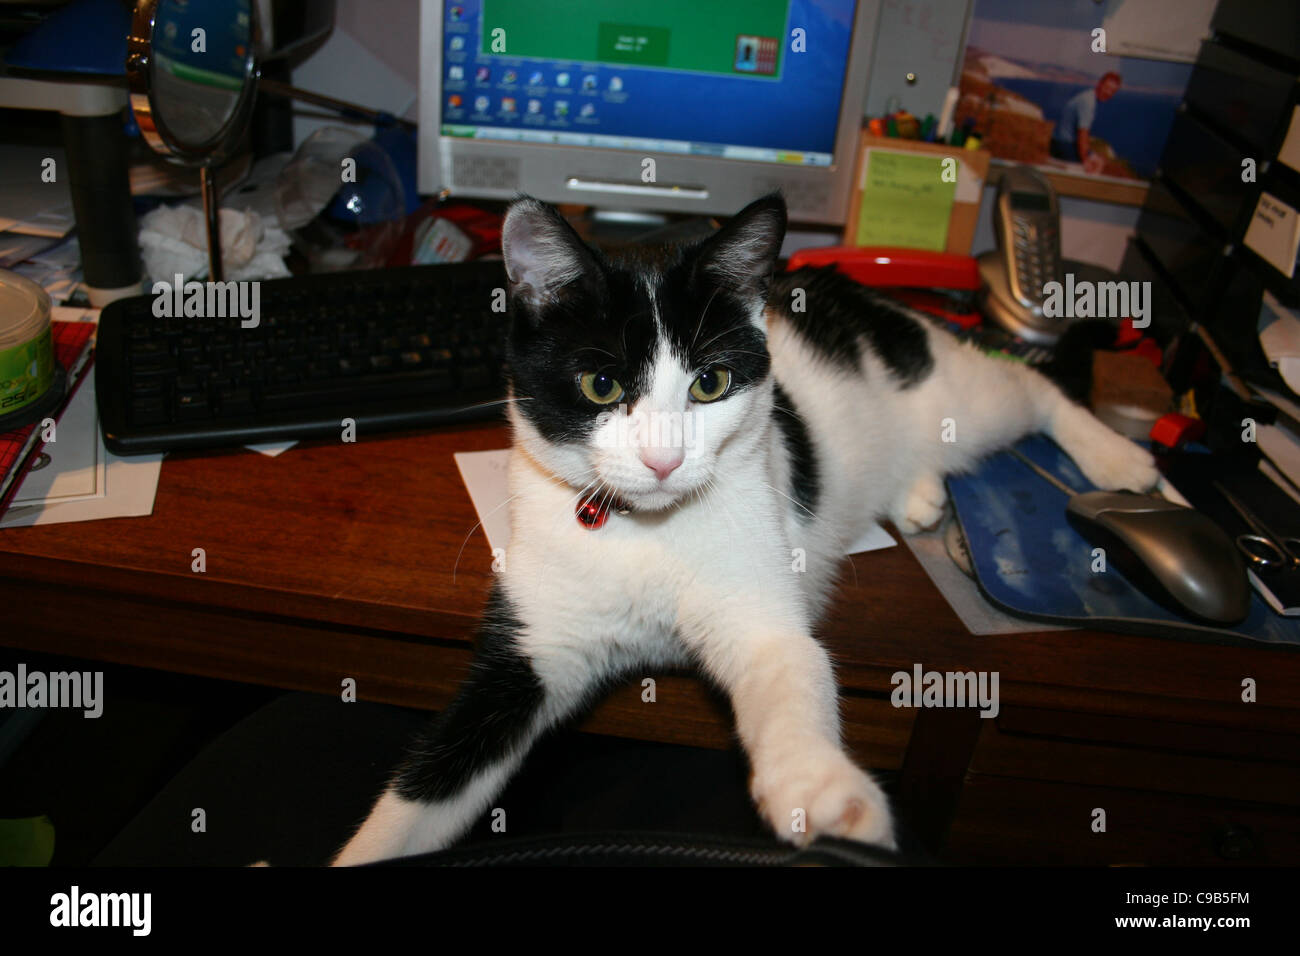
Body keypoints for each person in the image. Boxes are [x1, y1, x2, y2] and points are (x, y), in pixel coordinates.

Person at [1050, 71, 1121, 173]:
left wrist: (1089, 153)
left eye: (1112, 91)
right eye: (1106, 88)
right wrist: (1085, 160)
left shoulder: (1088, 96)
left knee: (1098, 158)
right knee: (1096, 164)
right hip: (1063, 146)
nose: (1108, 93)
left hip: (1059, 142)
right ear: (1099, 84)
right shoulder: (1088, 103)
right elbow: (1082, 134)